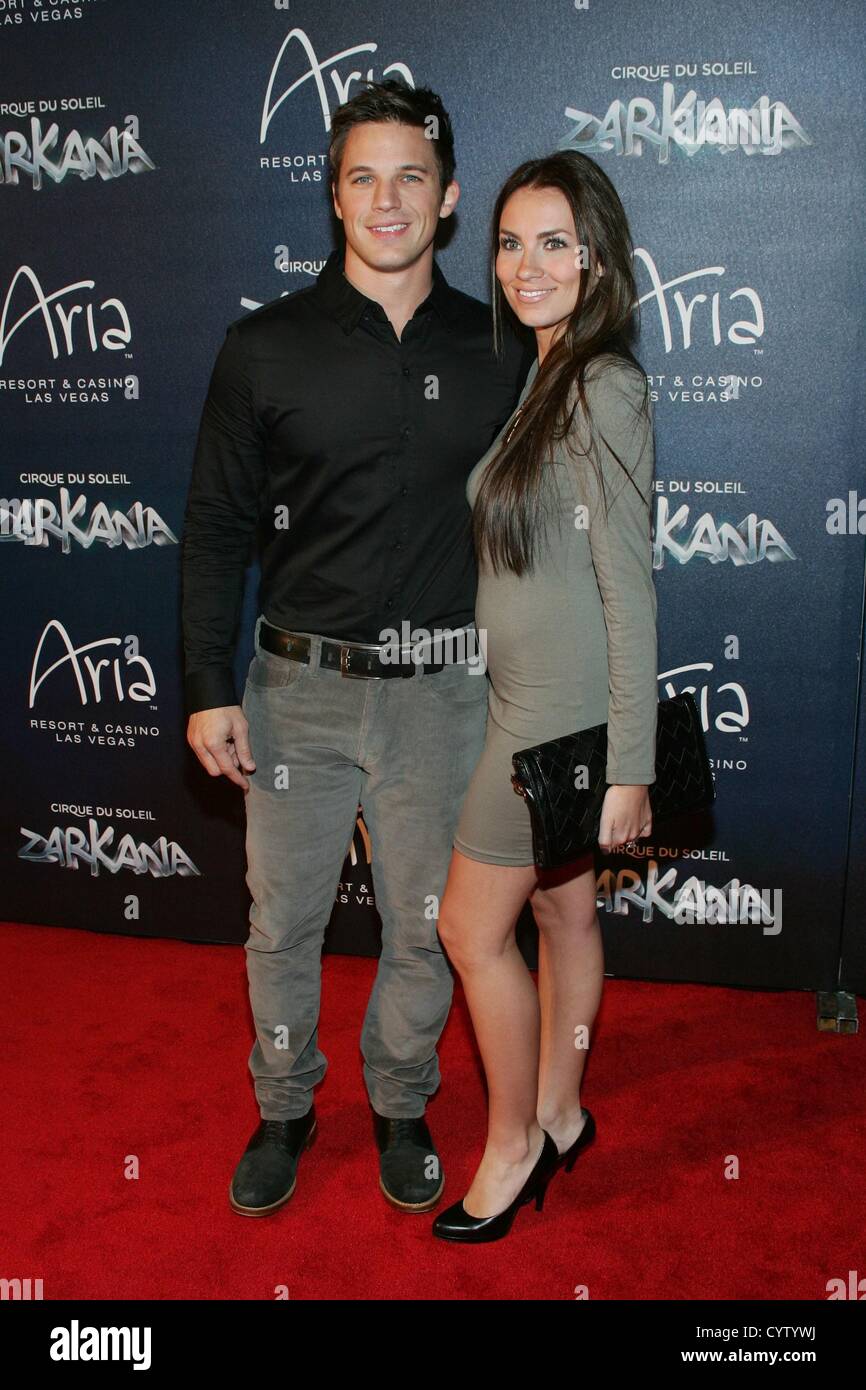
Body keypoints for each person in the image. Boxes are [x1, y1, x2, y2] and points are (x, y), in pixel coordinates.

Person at [181, 79, 533, 1218]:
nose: (387, 199)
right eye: (362, 176)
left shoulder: (500, 351)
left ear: (448, 199)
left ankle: (399, 1102)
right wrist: (203, 687)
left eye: (410, 176)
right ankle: (284, 1107)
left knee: (429, 927)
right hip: (296, 693)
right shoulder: (261, 347)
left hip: (444, 697)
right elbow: (217, 528)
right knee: (280, 922)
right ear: (333, 197)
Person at [431, 151, 658, 1242]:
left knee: (469, 928)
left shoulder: (602, 383)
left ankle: (514, 1143)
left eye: (554, 242)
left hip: (551, 715)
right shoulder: (546, 366)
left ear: (598, 257)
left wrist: (628, 764)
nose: (526, 265)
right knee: (565, 912)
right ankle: (563, 1110)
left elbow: (626, 579)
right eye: (510, 242)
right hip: (521, 697)